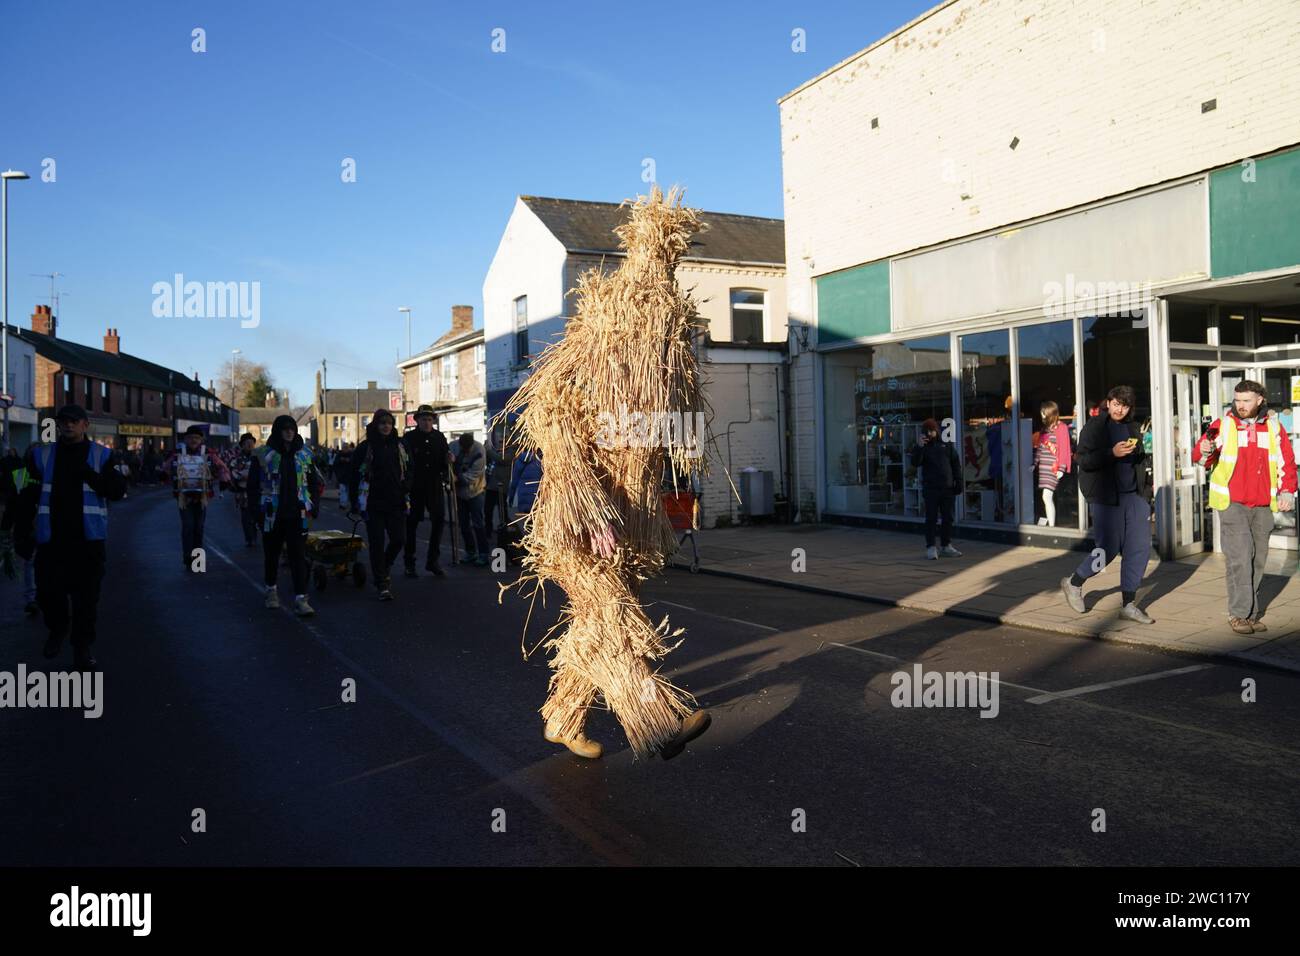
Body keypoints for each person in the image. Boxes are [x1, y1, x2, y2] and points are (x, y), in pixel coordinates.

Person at [15, 405, 126, 669]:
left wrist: (88, 473)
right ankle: (58, 627)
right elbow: (26, 495)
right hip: (51, 541)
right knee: (47, 594)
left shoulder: (102, 455)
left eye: (74, 421)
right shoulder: (40, 456)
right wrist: (20, 532)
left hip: (88, 541)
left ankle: (82, 648)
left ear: (85, 425)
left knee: (86, 600)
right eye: (63, 421)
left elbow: (117, 491)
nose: (68, 426)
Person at [1192, 380, 1296, 633]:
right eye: (1237, 400)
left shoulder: (1273, 427)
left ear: (1260, 400)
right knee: (1240, 558)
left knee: (1258, 560)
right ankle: (1238, 614)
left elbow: (1287, 462)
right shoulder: (1224, 425)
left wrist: (1288, 491)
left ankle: (1251, 613)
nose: (1240, 405)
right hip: (1231, 503)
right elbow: (1201, 457)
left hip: (1262, 504)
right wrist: (1204, 449)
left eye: (1246, 400)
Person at [1060, 385, 1155, 624]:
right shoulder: (1096, 426)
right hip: (1105, 498)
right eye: (1115, 403)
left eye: (1124, 405)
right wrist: (1112, 452)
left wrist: (1145, 496)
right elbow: (1083, 460)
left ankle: (1129, 604)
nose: (1119, 409)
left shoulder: (1132, 427)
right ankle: (1075, 582)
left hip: (1133, 497)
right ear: (1109, 402)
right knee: (1108, 550)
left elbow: (1140, 462)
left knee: (1139, 549)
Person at [248, 414, 322, 617]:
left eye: (292, 428)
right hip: (272, 514)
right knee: (271, 555)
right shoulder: (263, 454)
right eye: (285, 429)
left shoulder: (305, 454)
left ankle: (301, 599)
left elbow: (314, 482)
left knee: (298, 556)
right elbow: (253, 486)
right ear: (278, 431)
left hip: (297, 514)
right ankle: (271, 590)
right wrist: (255, 512)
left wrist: (314, 504)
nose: (290, 432)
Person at [348, 409, 411, 600]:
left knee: (399, 539)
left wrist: (406, 486)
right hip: (372, 503)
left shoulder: (399, 446)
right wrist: (354, 502)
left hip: (396, 501)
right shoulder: (365, 447)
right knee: (376, 543)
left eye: (389, 423)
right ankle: (381, 583)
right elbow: (353, 476)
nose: (386, 426)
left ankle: (384, 566)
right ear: (376, 425)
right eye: (382, 423)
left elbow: (409, 469)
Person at [164, 425, 231, 571]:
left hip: (202, 496)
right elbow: (166, 468)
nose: (193, 440)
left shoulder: (208, 453)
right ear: (185, 439)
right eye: (190, 437)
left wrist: (224, 480)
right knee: (188, 526)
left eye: (196, 438)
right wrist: (164, 474)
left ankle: (197, 561)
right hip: (183, 496)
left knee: (199, 527)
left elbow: (221, 467)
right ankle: (188, 557)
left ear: (201, 439)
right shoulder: (177, 453)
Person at [401, 405, 450, 577]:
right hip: (415, 487)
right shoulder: (408, 438)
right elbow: (403, 463)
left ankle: (432, 561)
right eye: (423, 419)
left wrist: (449, 461)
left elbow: (445, 461)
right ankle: (410, 562)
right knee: (411, 524)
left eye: (429, 419)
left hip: (434, 486)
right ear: (417, 420)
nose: (427, 422)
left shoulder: (439, 437)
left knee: (439, 521)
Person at [908, 418, 963, 560]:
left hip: (947, 488)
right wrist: (919, 447)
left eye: (932, 431)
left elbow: (955, 464)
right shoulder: (923, 447)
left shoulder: (946, 445)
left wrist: (959, 481)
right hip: (931, 488)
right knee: (931, 518)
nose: (930, 434)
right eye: (927, 431)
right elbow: (915, 462)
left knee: (948, 518)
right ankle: (931, 546)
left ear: (937, 431)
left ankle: (946, 545)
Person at [0, 446, 38, 615]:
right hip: (35, 526)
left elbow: (12, 503)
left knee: (32, 563)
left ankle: (33, 598)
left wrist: (6, 526)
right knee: (34, 563)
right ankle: (35, 598)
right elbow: (13, 502)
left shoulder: (21, 474)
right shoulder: (49, 473)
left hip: (28, 527)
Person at [453, 432, 491, 566]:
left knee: (478, 524)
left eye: (467, 449)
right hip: (459, 493)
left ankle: (483, 553)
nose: (466, 451)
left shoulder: (479, 450)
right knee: (463, 524)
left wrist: (458, 479)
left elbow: (475, 474)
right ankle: (470, 552)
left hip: (476, 491)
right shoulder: (455, 447)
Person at [1034, 400, 1073, 527]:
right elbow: (1040, 448)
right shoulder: (1044, 429)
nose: (1042, 414)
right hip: (1043, 467)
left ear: (1050, 412)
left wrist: (1061, 467)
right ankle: (1050, 524)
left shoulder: (1061, 427)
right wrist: (1034, 463)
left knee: (1046, 496)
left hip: (1053, 467)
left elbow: (1064, 448)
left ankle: (1051, 526)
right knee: (1046, 497)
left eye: (1044, 412)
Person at [229, 432, 260, 547]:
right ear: (242, 445)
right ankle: (249, 538)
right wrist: (246, 475)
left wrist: (247, 475)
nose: (250, 445)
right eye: (247, 443)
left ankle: (255, 536)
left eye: (251, 443)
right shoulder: (236, 459)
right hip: (243, 492)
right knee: (246, 516)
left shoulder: (258, 457)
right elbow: (233, 474)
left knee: (256, 516)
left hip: (257, 492)